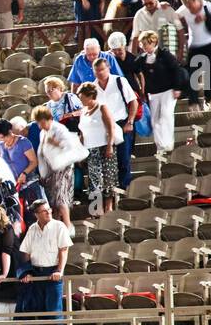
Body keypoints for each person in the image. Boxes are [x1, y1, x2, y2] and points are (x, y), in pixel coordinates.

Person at [19, 200, 71, 325]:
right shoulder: (32, 228)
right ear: (36, 214)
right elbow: (25, 252)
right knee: (41, 311)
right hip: (37, 273)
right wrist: (27, 271)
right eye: (44, 211)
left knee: (54, 312)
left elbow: (64, 249)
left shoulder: (59, 226)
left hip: (52, 272)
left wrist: (59, 270)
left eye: (49, 209)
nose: (48, 212)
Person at [175, 0, 211, 109]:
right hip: (195, 45)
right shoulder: (182, 10)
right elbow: (171, 18)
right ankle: (193, 102)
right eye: (186, 4)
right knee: (193, 74)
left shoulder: (206, 5)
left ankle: (208, 99)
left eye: (191, 3)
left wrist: (206, 17)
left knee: (210, 73)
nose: (190, 6)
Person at [92, 55, 138, 190]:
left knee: (124, 158)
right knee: (108, 160)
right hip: (103, 126)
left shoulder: (119, 81)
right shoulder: (93, 87)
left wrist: (130, 121)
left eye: (102, 70)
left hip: (121, 121)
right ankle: (111, 189)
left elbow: (133, 101)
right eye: (96, 70)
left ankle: (125, 187)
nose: (99, 73)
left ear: (108, 68)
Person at [135, 30, 182, 155]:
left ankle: (168, 144)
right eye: (143, 44)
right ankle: (160, 146)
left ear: (153, 42)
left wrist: (177, 87)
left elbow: (176, 70)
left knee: (166, 115)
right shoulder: (142, 59)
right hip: (153, 93)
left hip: (167, 90)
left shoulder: (164, 54)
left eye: (146, 44)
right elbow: (134, 68)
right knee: (155, 119)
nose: (144, 47)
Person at [32, 105, 78, 226]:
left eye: (40, 122)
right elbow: (41, 154)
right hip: (51, 169)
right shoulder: (43, 133)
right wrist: (42, 172)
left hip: (64, 167)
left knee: (60, 197)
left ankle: (68, 225)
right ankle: (57, 225)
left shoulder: (59, 128)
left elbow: (70, 146)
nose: (39, 125)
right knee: (53, 200)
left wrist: (55, 143)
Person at [77, 82, 118, 215]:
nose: (80, 99)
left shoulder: (102, 107)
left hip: (103, 147)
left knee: (107, 178)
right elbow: (82, 133)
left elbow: (111, 127)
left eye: (82, 96)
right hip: (90, 150)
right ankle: (96, 209)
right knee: (94, 180)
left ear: (90, 96)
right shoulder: (83, 111)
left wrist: (110, 146)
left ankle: (109, 207)